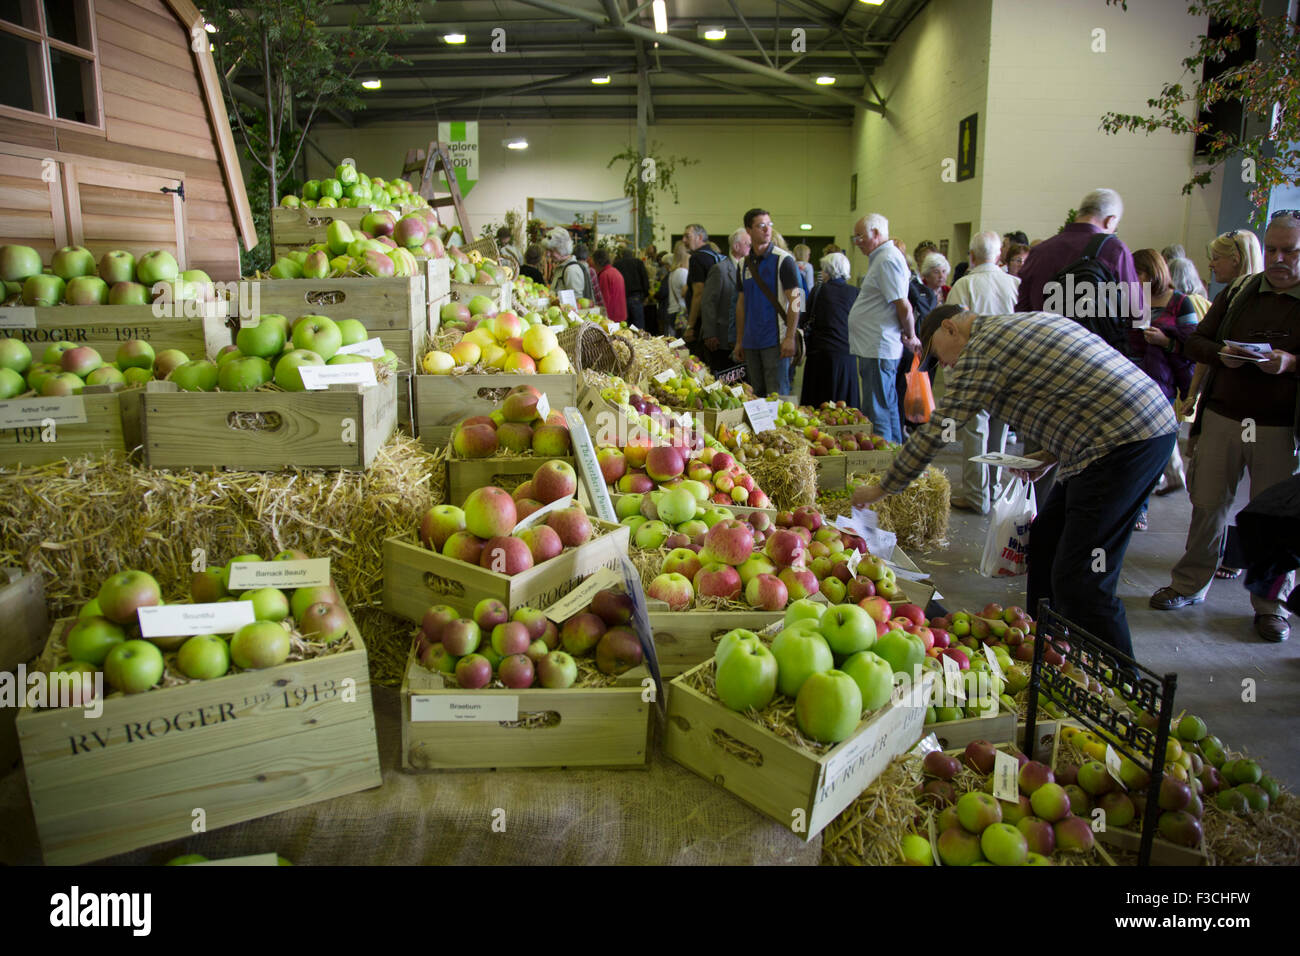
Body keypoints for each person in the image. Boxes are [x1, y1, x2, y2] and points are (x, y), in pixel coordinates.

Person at [854, 305, 1178, 659]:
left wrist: (883, 488)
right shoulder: (1012, 326)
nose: (944, 367)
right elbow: (1076, 393)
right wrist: (1050, 454)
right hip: (1114, 433)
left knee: (1081, 577)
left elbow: (938, 430)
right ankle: (1047, 649)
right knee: (1046, 542)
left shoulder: (982, 350)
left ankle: (1123, 687)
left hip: (1127, 439)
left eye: (938, 356)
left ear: (951, 328)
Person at [1149, 212, 1300, 643]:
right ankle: (1189, 584)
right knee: (1208, 502)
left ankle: (1272, 605)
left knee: (1276, 518)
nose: (1277, 258)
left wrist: (1290, 363)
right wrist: (1222, 355)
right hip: (1224, 416)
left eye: (1289, 250)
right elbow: (1196, 340)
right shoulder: (1241, 291)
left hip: (1280, 427)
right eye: (1271, 249)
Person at [1014, 188, 1143, 503]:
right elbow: (1136, 314)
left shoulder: (1041, 251)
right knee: (1089, 467)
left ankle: (1031, 533)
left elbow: (1021, 313)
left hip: (1041, 374)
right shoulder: (1115, 250)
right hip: (1097, 377)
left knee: (1036, 467)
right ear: (1110, 219)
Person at [947, 230, 1022, 514]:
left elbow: (950, 329)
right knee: (999, 433)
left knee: (975, 430)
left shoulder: (964, 286)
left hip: (974, 367)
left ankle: (977, 495)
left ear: (971, 256)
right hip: (1011, 366)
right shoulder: (1015, 284)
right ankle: (994, 489)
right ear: (999, 255)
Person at [1127, 248, 1199, 532]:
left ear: (1154, 271)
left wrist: (1164, 342)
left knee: (1150, 448)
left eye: (1139, 272)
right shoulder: (1134, 299)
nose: (1134, 278)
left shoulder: (1181, 303)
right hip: (1131, 382)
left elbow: (1193, 347)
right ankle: (1135, 505)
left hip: (1162, 386)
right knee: (1133, 450)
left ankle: (1141, 508)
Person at [846, 212, 916, 443]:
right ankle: (894, 452)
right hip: (873, 346)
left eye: (860, 236)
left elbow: (903, 306)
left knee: (877, 410)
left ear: (876, 233)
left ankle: (884, 463)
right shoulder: (882, 258)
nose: (857, 243)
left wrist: (912, 335)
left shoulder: (887, 260)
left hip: (878, 346)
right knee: (885, 405)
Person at [733, 208, 800, 397]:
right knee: (756, 395)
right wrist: (739, 340)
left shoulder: (784, 260)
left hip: (776, 340)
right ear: (749, 230)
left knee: (777, 395)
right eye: (761, 226)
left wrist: (790, 336)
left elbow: (796, 300)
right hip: (751, 341)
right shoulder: (743, 264)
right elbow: (740, 303)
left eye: (769, 225)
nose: (767, 229)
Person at [800, 251, 860, 409]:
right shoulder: (855, 293)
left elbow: (804, 318)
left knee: (818, 405)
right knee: (844, 409)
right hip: (846, 355)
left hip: (820, 355)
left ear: (827, 271)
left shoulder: (818, 291)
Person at [898, 252, 949, 436]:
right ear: (926, 274)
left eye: (944, 271)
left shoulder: (947, 292)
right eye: (937, 272)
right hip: (919, 345)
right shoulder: (916, 291)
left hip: (937, 347)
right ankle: (908, 420)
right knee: (911, 384)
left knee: (927, 384)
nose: (941, 275)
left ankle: (921, 418)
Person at [700, 227, 750, 372]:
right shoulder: (720, 269)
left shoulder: (748, 270)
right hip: (721, 337)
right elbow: (708, 302)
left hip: (739, 337)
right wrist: (710, 333)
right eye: (748, 244)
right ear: (736, 246)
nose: (751, 248)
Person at [682, 224, 725, 349]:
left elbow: (698, 294)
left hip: (702, 323)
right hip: (718, 321)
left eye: (687, 236)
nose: (684, 240)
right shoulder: (717, 256)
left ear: (699, 237)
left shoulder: (697, 258)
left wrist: (690, 326)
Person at [545, 227, 592, 300]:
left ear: (562, 249)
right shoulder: (562, 267)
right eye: (547, 250)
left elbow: (577, 301)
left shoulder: (571, 270)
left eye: (551, 250)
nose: (548, 254)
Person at [614, 245, 650, 330]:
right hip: (636, 297)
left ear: (622, 255)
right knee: (638, 327)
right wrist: (646, 295)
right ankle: (640, 342)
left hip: (622, 299)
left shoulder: (617, 264)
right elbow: (645, 279)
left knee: (624, 326)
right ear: (632, 254)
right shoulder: (638, 262)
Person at [593, 248, 626, 324]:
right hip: (621, 313)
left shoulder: (604, 275)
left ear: (597, 262)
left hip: (612, 317)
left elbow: (604, 300)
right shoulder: (615, 271)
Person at [666, 243, 690, 333]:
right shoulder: (683, 272)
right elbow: (684, 293)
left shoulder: (673, 272)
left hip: (673, 310)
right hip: (680, 313)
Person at [575, 243, 604, 310]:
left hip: (575, 305)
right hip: (589, 305)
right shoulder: (591, 271)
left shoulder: (571, 268)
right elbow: (597, 292)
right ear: (587, 257)